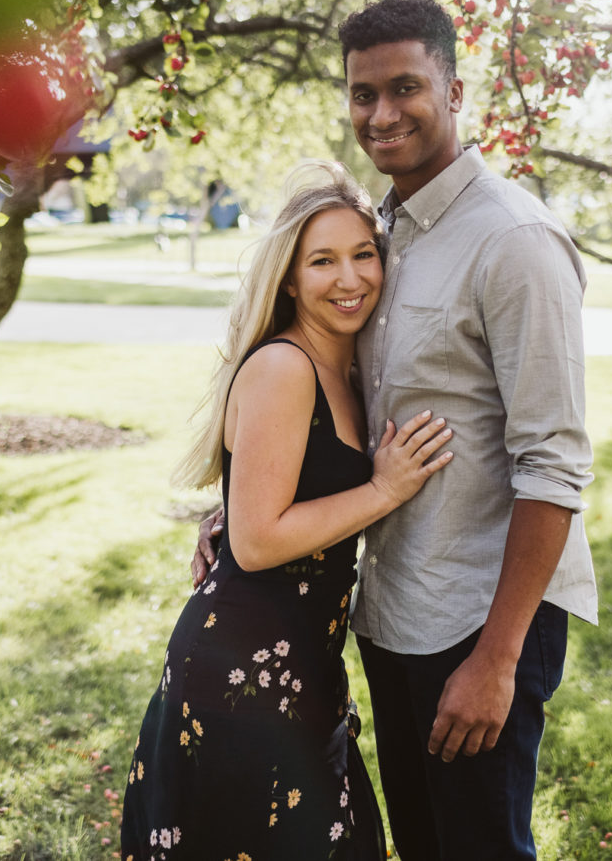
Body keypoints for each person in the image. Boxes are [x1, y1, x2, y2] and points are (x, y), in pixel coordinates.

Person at [195, 0, 596, 860]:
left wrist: (497, 660)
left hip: (480, 620)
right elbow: (333, 410)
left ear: (454, 89)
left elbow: (554, 468)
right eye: (361, 94)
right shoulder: (379, 236)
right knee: (420, 844)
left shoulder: (514, 240)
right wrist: (244, 507)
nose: (381, 114)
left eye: (405, 87)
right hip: (390, 611)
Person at [121, 161, 455, 861]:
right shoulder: (285, 366)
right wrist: (383, 491)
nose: (350, 278)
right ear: (291, 276)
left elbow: (269, 495)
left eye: (365, 254)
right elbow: (259, 539)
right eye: (323, 260)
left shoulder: (349, 365)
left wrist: (226, 512)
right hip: (238, 678)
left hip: (305, 669)